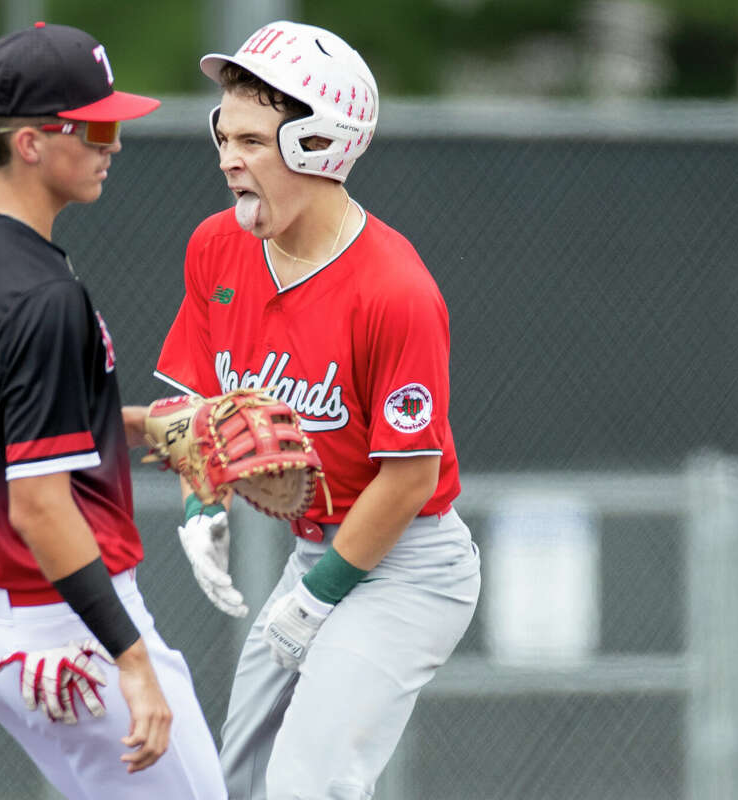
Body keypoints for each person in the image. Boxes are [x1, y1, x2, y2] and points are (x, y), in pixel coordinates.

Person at [154, 21, 482, 800]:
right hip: (318, 553)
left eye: (254, 140)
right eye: (222, 133)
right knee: (233, 781)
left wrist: (316, 596)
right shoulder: (217, 248)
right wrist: (203, 500)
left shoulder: (394, 290)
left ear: (320, 144)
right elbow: (194, 405)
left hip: (408, 567)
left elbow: (408, 480)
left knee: (308, 785)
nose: (228, 157)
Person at [0, 22, 227, 800]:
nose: (112, 143)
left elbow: (0, 429)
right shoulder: (40, 292)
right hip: (60, 621)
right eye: (94, 126)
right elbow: (38, 504)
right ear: (28, 142)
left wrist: (134, 424)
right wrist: (131, 661)